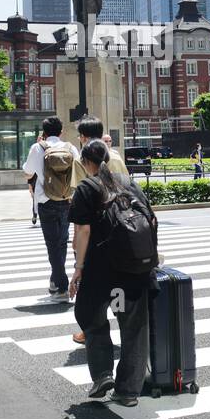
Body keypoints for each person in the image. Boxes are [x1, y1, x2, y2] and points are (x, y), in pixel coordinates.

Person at [68, 139, 154, 407]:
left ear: (85, 163)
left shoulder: (87, 188)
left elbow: (82, 232)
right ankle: (128, 391)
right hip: (134, 269)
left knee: (91, 318)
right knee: (133, 328)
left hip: (101, 272)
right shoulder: (128, 182)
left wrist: (78, 269)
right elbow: (150, 218)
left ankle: (103, 374)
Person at [70, 117, 126, 344]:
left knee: (92, 291)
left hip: (94, 239)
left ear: (83, 137)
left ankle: (91, 330)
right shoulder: (116, 156)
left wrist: (77, 255)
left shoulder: (82, 160)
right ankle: (123, 325)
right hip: (121, 234)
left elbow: (79, 207)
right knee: (118, 287)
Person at [22, 116, 79, 298]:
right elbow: (79, 172)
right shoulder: (70, 148)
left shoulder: (37, 147)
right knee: (62, 243)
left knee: (52, 245)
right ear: (61, 131)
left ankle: (61, 286)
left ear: (44, 132)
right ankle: (56, 281)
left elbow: (28, 171)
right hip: (66, 200)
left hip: (46, 201)